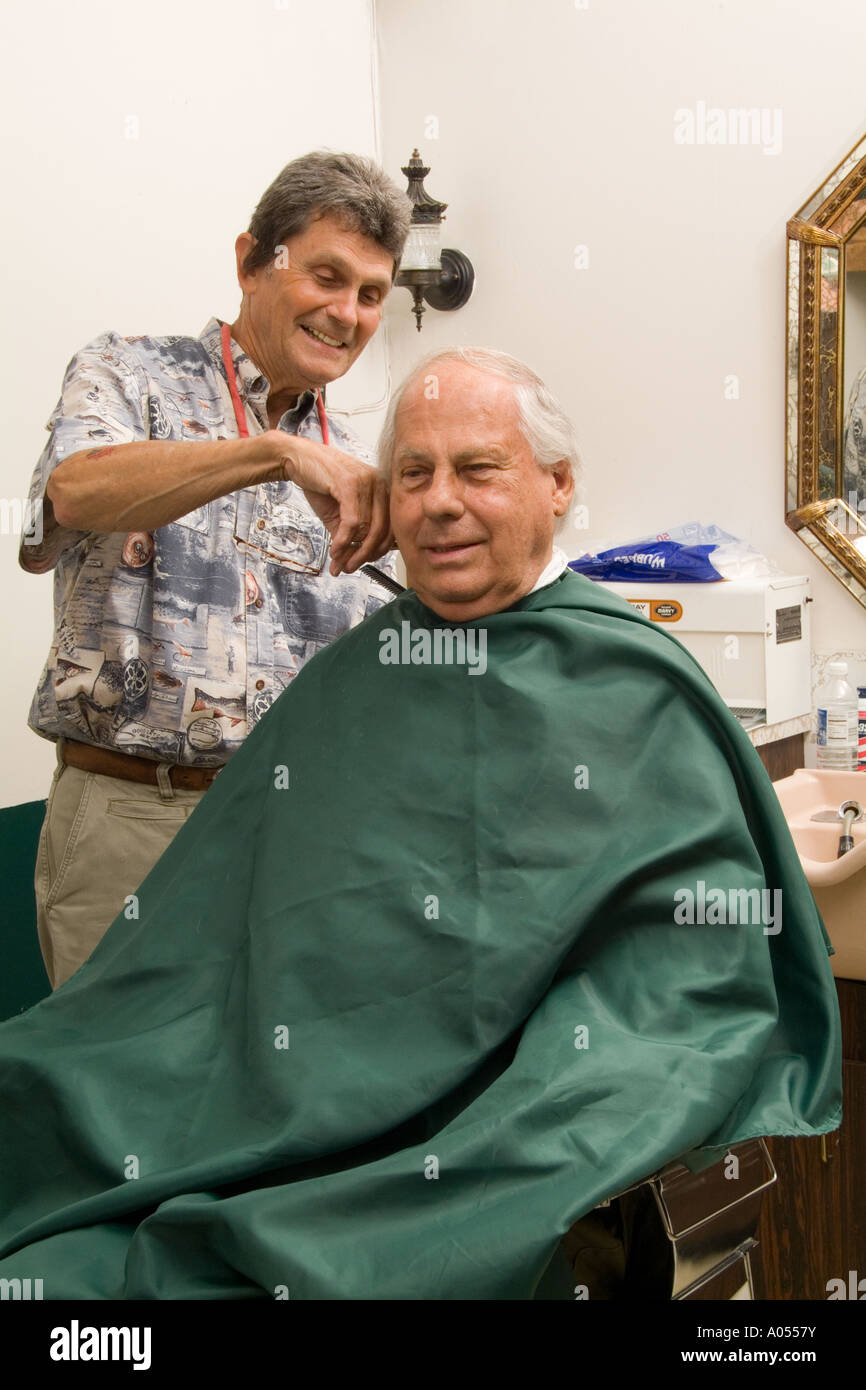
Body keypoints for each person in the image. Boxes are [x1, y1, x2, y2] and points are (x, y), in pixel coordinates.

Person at [0, 348, 841, 1300]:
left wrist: (525, 1115)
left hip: (486, 1127)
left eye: (478, 469)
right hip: (283, 1098)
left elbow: (682, 996)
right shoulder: (360, 671)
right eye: (413, 475)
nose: (439, 502)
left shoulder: (634, 686)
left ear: (558, 485)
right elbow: (220, 948)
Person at [18, 150, 411, 990]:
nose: (346, 313)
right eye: (326, 277)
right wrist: (273, 455)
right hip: (132, 817)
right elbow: (78, 490)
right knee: (114, 1095)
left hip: (298, 829)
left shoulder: (355, 464)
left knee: (269, 1093)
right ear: (251, 262)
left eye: (371, 294)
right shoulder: (127, 372)